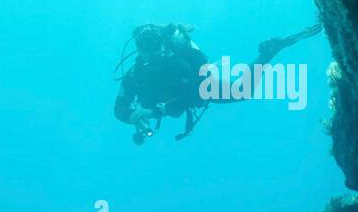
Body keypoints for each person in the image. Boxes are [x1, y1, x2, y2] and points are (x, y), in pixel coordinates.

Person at [114, 22, 322, 144]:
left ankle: (269, 51)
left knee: (241, 91)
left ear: (162, 44)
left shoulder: (178, 62)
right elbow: (119, 108)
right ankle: (269, 51)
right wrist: (131, 117)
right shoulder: (134, 76)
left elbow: (194, 93)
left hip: (199, 88)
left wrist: (158, 111)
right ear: (138, 50)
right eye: (145, 46)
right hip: (174, 100)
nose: (152, 51)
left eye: (155, 45)